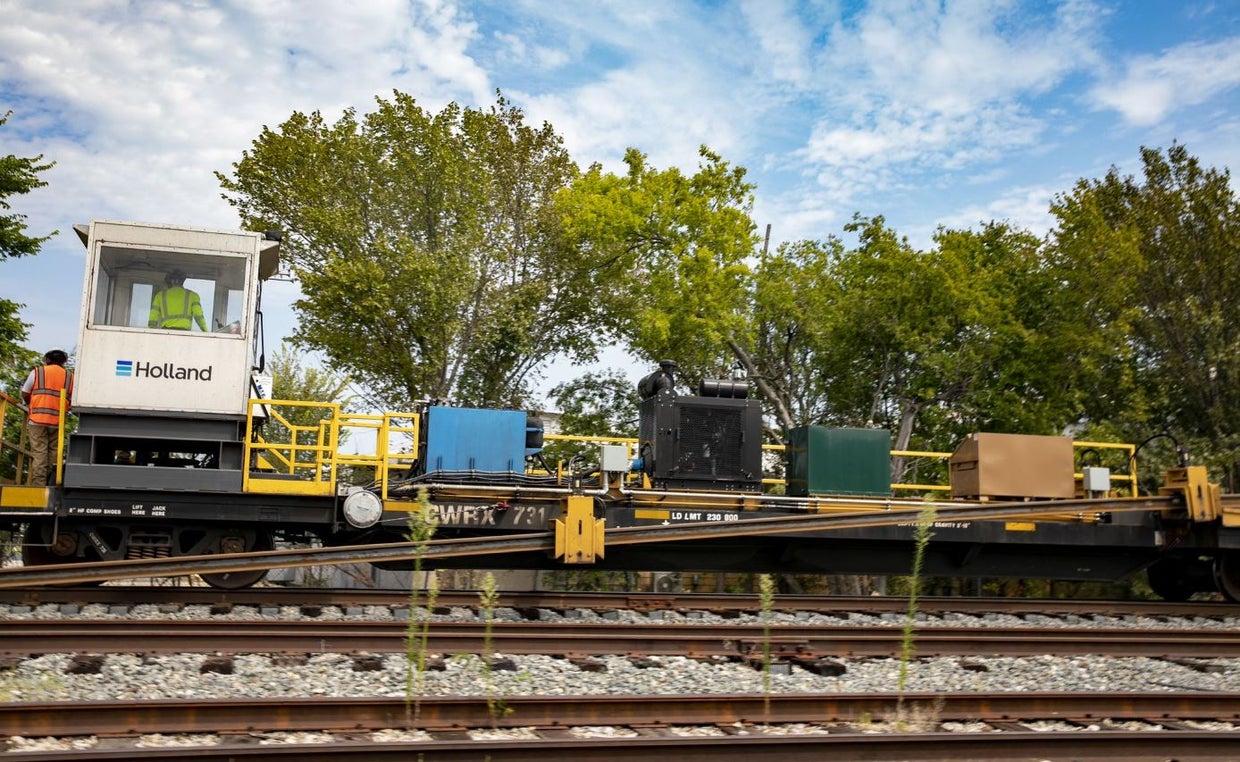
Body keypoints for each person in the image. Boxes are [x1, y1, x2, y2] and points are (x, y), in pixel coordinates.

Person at [20, 349, 74, 487]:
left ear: (47, 359)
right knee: (53, 453)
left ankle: (38, 484)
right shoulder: (70, 377)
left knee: (39, 452)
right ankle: (50, 482)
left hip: (37, 419)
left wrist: (31, 403)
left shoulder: (37, 372)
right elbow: (72, 399)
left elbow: (25, 393)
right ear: (64, 362)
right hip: (57, 421)